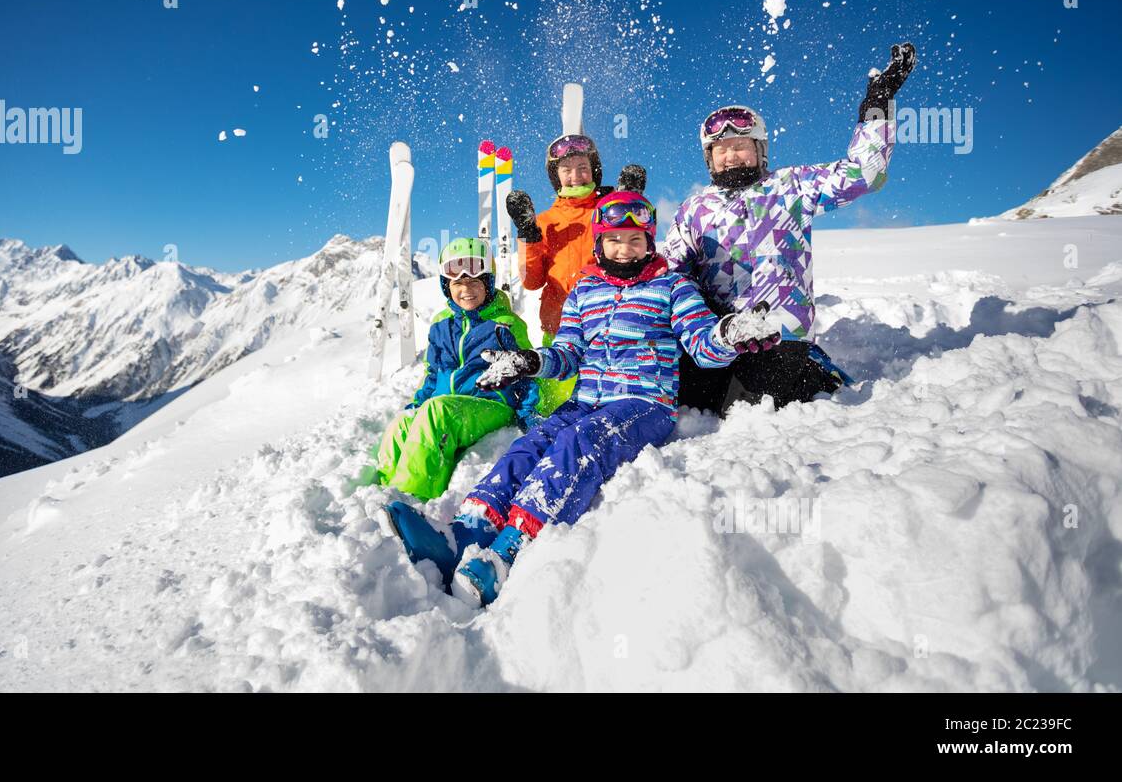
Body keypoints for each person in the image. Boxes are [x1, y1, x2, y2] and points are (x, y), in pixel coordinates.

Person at [382, 192, 780, 606]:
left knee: (578, 443)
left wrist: (729, 334)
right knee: (530, 445)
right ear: (599, 243)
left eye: (634, 240)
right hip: (586, 399)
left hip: (643, 402)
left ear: (649, 243)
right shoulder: (585, 290)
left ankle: (510, 550)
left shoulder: (672, 286)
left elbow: (701, 344)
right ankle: (466, 532)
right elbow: (567, 354)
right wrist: (529, 361)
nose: (624, 249)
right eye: (614, 240)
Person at [664, 42, 917, 414]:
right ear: (710, 158)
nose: (731, 154)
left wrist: (877, 106)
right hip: (716, 338)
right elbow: (668, 273)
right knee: (682, 404)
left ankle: (813, 371)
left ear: (760, 149)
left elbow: (865, 173)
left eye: (741, 145)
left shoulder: (791, 186)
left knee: (748, 412)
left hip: (777, 338)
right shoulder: (693, 210)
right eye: (721, 149)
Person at [372, 238, 539, 501]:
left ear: (488, 283)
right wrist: (417, 404)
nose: (466, 290)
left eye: (475, 282)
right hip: (450, 407)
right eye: (457, 283)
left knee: (438, 412)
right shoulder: (441, 325)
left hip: (491, 406)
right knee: (401, 425)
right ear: (446, 287)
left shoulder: (504, 324)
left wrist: (530, 416)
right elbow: (433, 373)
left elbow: (526, 373)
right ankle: (384, 492)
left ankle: (411, 496)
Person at [504, 133, 646, 414]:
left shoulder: (609, 210)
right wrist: (528, 235)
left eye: (583, 167)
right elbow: (532, 282)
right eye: (566, 170)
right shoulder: (546, 221)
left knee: (610, 411)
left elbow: (636, 255)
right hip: (558, 334)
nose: (576, 176)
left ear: (594, 170)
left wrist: (630, 201)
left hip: (610, 330)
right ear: (556, 177)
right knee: (558, 413)